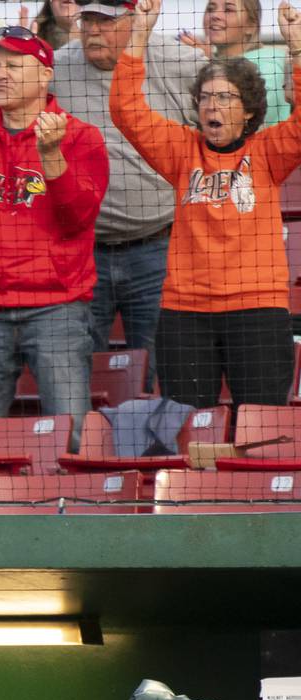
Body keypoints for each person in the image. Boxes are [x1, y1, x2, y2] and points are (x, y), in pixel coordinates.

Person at [112, 0, 301, 407]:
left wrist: (297, 47)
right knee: (186, 429)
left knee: (259, 429)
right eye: (205, 97)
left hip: (257, 310)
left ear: (249, 110)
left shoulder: (269, 151)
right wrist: (140, 32)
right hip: (186, 313)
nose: (212, 106)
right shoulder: (182, 149)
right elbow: (126, 109)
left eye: (225, 98)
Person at [0, 27, 108, 427]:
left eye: (13, 64)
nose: (0, 74)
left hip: (56, 307)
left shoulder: (80, 137)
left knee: (71, 437)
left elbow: (78, 219)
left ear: (46, 74)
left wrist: (52, 159)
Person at [51, 0, 200, 380]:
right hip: (83, 250)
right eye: (88, 20)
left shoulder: (182, 62)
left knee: (159, 373)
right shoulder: (55, 67)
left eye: (106, 21)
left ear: (135, 22)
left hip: (158, 246)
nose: (93, 31)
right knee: (80, 374)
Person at [182, 0, 292, 123]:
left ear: (250, 26)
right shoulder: (203, 59)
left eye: (228, 10)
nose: (215, 15)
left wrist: (209, 65)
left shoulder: (270, 66)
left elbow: (245, 121)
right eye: (211, 9)